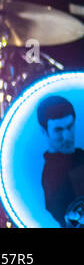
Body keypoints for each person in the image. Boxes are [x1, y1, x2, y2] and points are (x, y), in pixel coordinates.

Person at [37, 94, 84, 227]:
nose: (67, 136)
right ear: (44, 132)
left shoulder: (80, 157)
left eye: (70, 127)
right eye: (58, 130)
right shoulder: (52, 174)